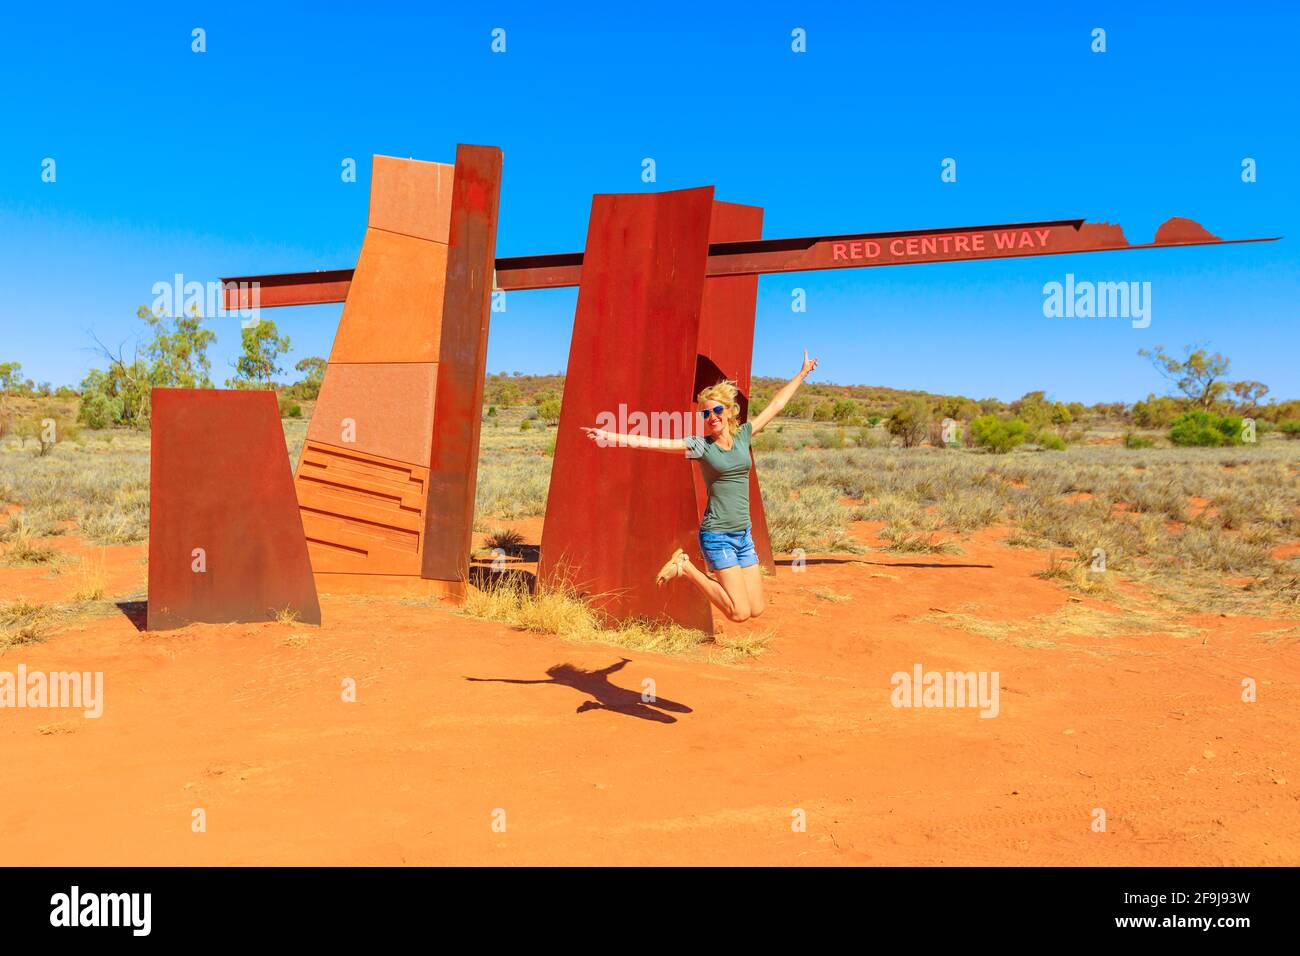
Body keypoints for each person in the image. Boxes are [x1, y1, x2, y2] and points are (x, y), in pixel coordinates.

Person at [579, 350, 819, 623]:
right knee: (739, 613)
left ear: (729, 411)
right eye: (706, 413)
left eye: (717, 410)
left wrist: (801, 374)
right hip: (718, 536)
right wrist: (609, 435)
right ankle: (686, 568)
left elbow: (776, 406)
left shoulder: (743, 436)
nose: (712, 416)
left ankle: (687, 568)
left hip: (743, 534)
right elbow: (654, 443)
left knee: (756, 609)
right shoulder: (701, 446)